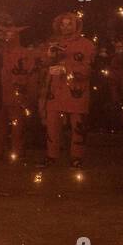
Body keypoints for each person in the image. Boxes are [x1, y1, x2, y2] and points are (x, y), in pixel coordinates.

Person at [40, 11, 95, 168]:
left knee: (78, 126)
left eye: (69, 24)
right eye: (63, 24)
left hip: (76, 90)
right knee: (52, 125)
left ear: (76, 25)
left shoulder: (86, 45)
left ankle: (76, 157)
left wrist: (66, 70)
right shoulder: (53, 42)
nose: (65, 27)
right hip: (56, 91)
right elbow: (42, 63)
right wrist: (49, 57)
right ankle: (51, 156)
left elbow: (88, 69)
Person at [0, 17, 43, 161]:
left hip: (15, 93)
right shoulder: (1, 52)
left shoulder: (24, 53)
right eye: (5, 34)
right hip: (1, 93)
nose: (7, 37)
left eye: (10, 34)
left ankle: (16, 150)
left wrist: (24, 90)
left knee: (16, 124)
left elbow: (28, 72)